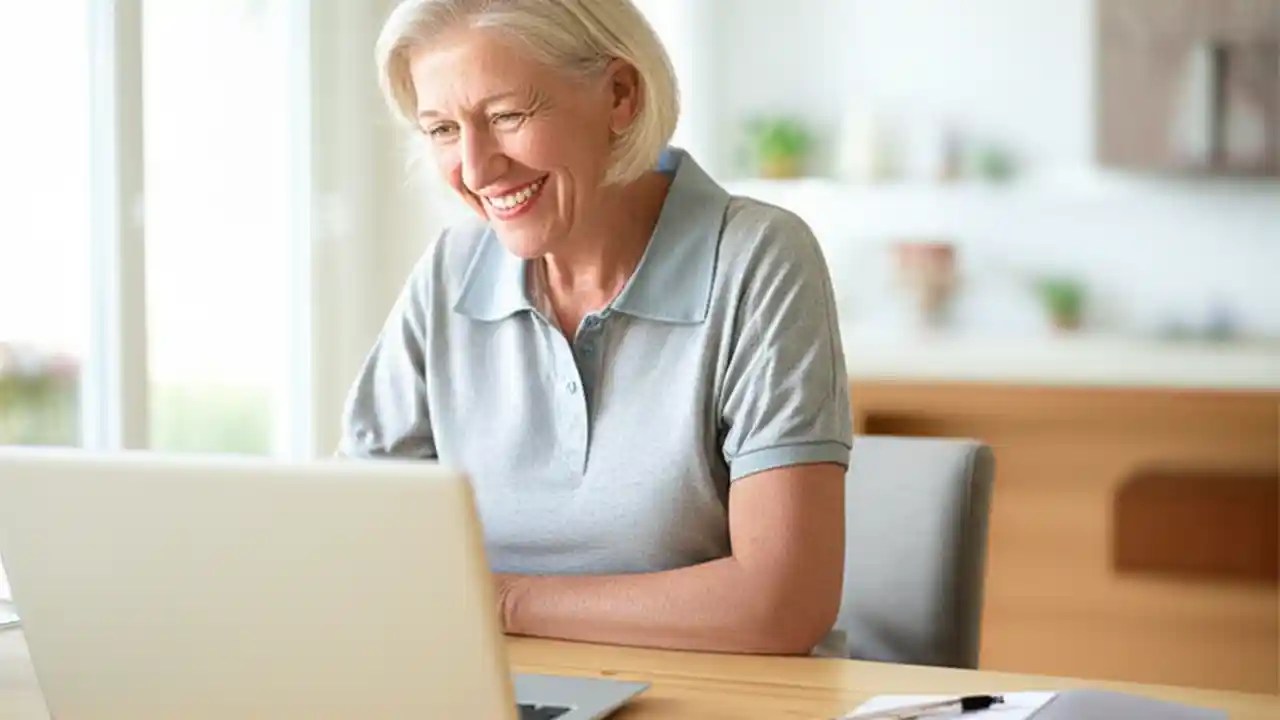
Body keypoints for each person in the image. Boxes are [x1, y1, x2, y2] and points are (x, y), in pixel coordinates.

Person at [342, 0, 852, 655]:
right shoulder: (450, 271)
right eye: (442, 129)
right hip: (489, 688)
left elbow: (781, 604)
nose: (475, 168)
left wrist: (499, 600)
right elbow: (356, 544)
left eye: (507, 116)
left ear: (619, 95)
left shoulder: (757, 258)